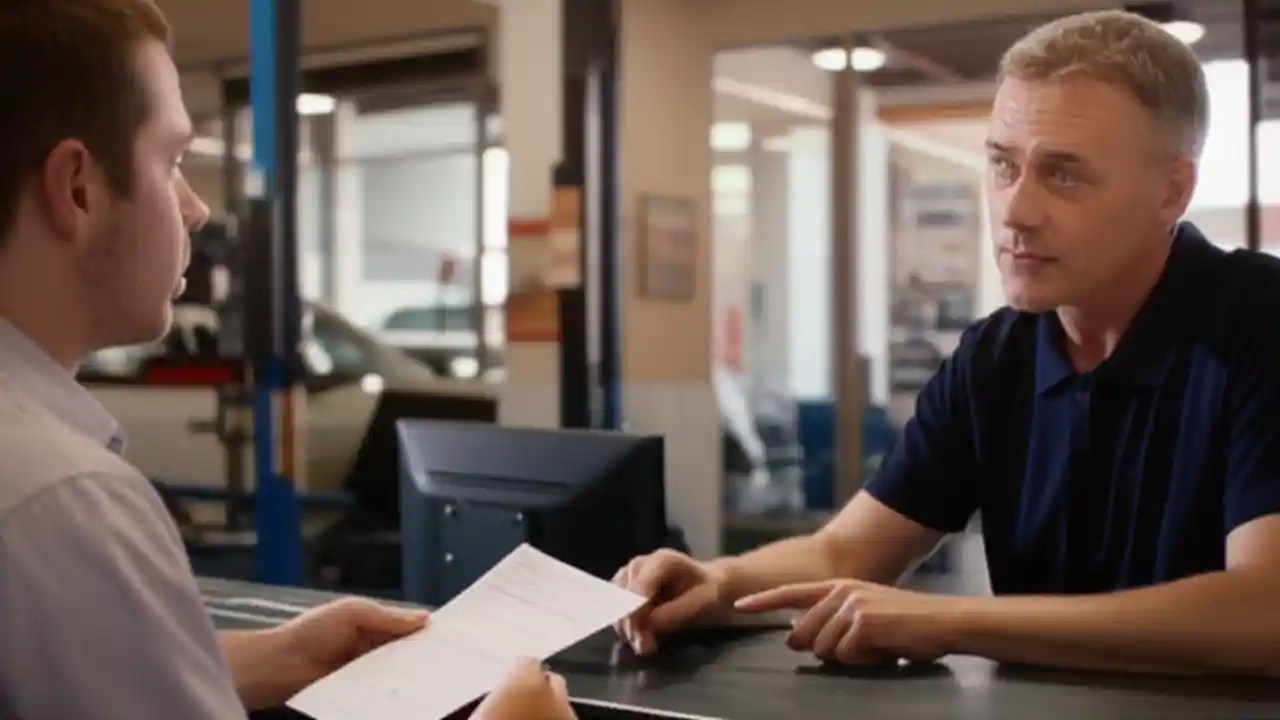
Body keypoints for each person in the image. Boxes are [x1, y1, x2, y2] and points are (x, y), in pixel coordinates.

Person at [615, 9, 1280, 678]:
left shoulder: (1259, 319)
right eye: (1003, 165)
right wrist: (718, 582)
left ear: (1171, 192)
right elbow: (847, 554)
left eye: (1064, 175)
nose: (1015, 211)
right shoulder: (995, 357)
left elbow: (1265, 613)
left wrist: (951, 620)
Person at [0, 1, 572, 718]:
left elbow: (78, 676)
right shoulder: (63, 503)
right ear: (78, 188)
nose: (196, 208)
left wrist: (286, 656)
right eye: (173, 161)